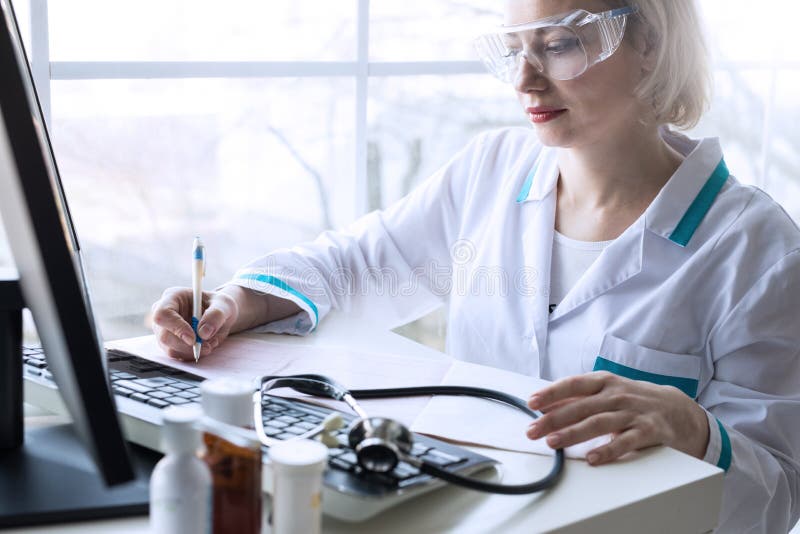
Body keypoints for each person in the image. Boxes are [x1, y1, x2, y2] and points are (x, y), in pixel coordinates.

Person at [150, 1, 800, 531]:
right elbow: (357, 267)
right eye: (516, 48)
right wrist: (239, 302)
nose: (525, 80)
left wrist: (693, 431)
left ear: (650, 43)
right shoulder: (491, 172)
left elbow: (780, 494)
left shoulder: (757, 250)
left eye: (560, 44)